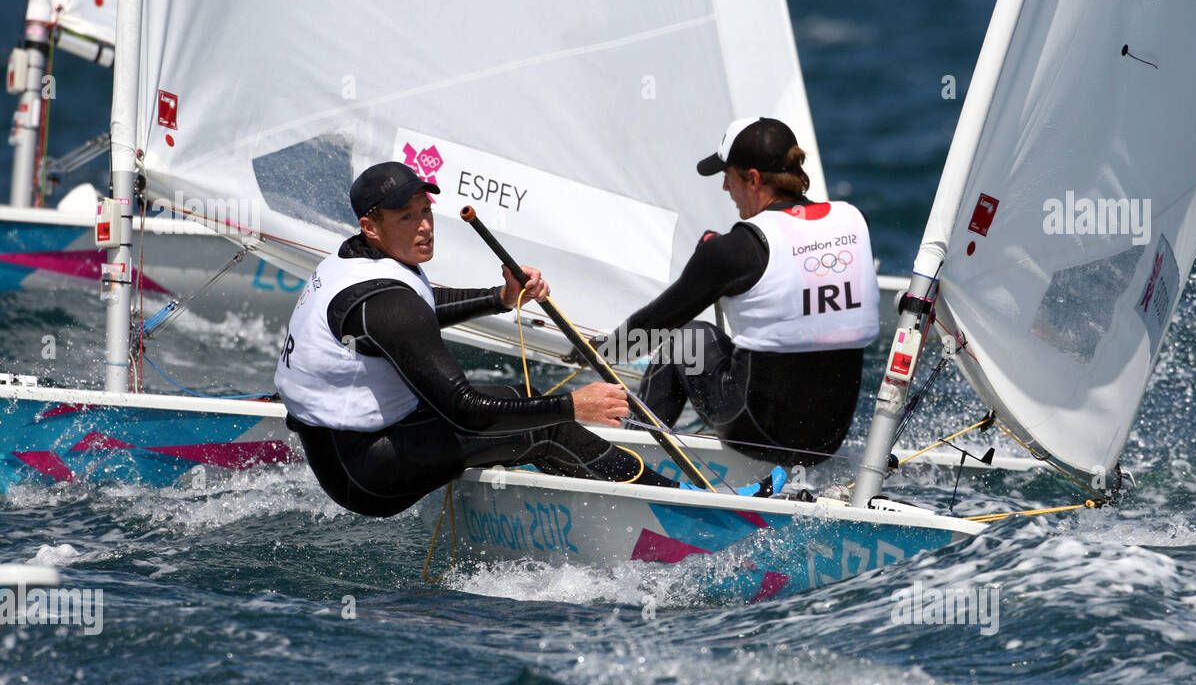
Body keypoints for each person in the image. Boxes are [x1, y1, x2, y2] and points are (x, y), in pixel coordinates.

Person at [274, 161, 687, 517]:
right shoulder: (387, 304)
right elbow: (466, 413)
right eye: (406, 218)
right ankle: (674, 506)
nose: (424, 227)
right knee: (549, 428)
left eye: (426, 211)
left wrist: (501, 297)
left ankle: (619, 492)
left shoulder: (358, 258)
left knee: (520, 394)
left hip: (347, 449)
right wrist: (574, 406)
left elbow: (422, 307)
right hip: (364, 475)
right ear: (371, 226)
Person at [592, 116, 879, 467]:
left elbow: (650, 328)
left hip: (756, 433)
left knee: (687, 338)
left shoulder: (733, 250)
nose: (726, 189)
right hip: (827, 440)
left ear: (754, 179)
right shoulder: (852, 221)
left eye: (728, 177)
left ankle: (630, 463)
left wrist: (595, 352)